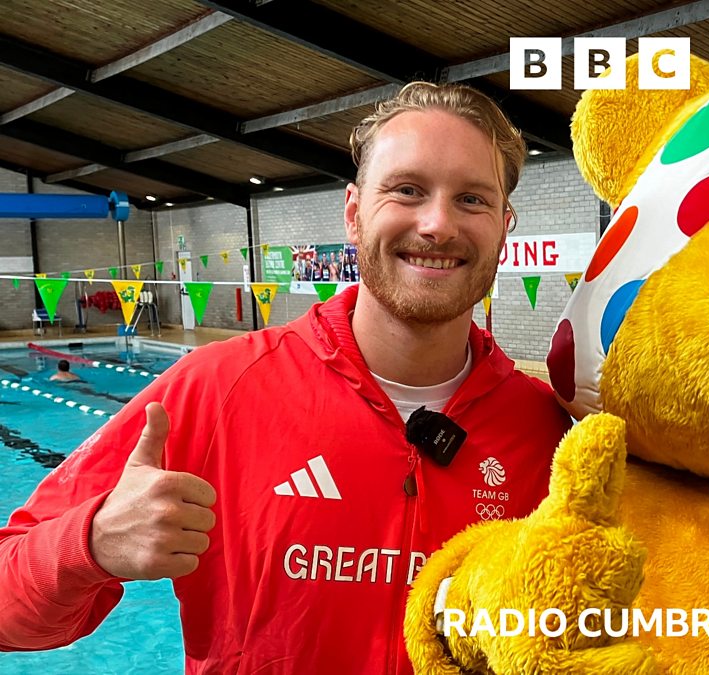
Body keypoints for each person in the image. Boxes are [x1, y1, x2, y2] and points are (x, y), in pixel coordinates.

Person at [0, 82, 572, 673]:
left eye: (472, 200)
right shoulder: (218, 387)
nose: (437, 225)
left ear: (504, 226)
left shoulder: (549, 433)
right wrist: (88, 543)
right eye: (407, 190)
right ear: (353, 213)